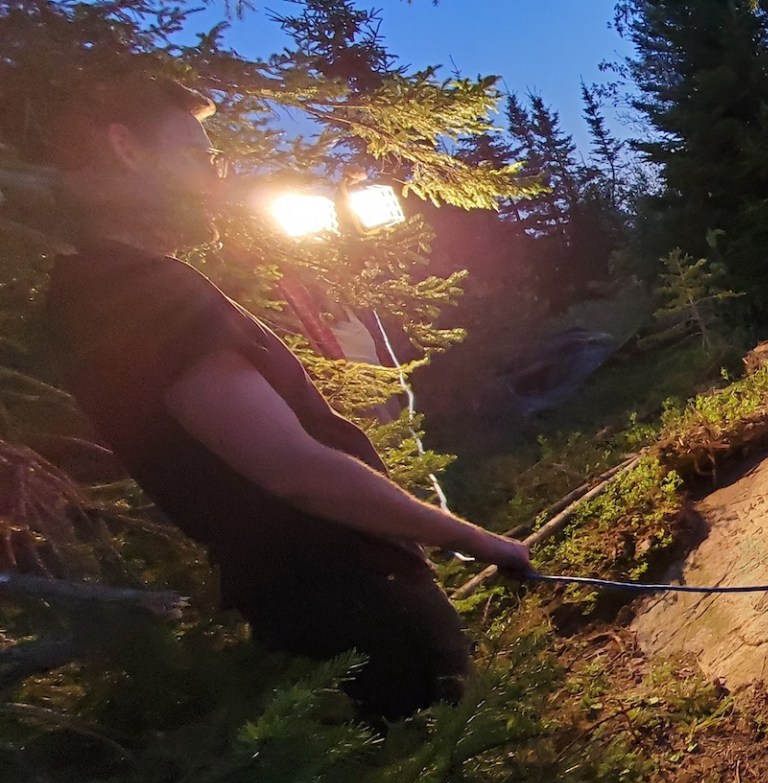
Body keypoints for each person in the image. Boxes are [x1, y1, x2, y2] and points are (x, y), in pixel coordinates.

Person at [41, 76, 530, 721]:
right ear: (128, 151)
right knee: (458, 772)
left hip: (304, 605)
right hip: (350, 602)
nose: (214, 181)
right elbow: (295, 472)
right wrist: (477, 540)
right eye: (199, 158)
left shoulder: (92, 294)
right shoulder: (138, 295)